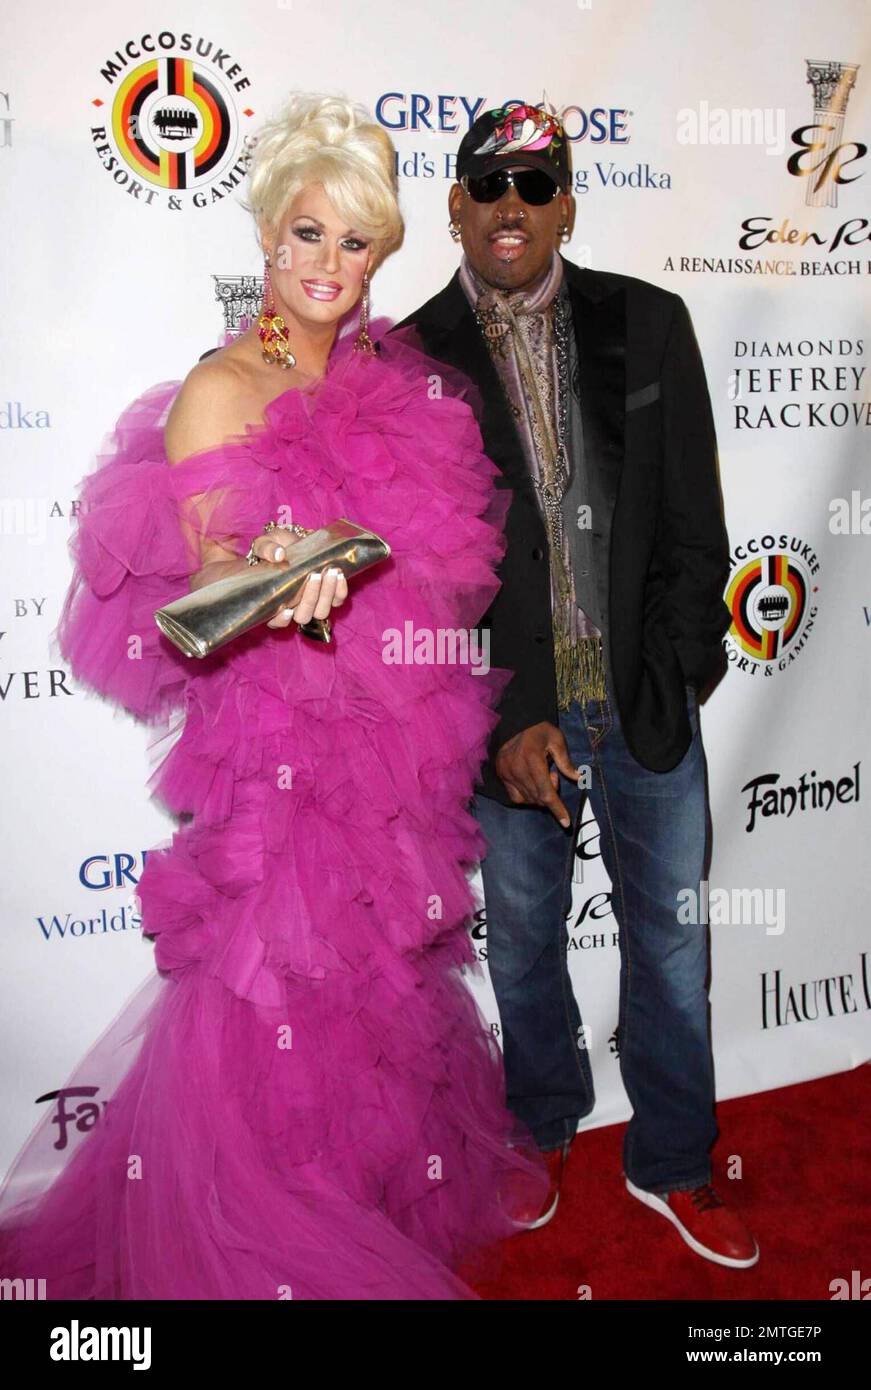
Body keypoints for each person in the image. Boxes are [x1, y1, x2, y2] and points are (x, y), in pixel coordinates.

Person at [0, 93, 548, 1300]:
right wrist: (275, 584)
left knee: (375, 981)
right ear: (267, 234)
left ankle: (355, 1194)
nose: (329, 267)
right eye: (309, 234)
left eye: (355, 244)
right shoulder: (218, 390)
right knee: (270, 983)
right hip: (276, 745)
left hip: (385, 754)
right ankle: (257, 1224)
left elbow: (443, 572)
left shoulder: (392, 382)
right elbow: (202, 586)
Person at [396, 101, 759, 1267]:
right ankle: (541, 1126)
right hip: (511, 721)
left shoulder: (649, 325)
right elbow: (416, 589)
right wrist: (500, 723)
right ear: (453, 203)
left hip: (644, 704)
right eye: (488, 183)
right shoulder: (406, 364)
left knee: (670, 947)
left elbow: (698, 533)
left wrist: (678, 670)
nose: (512, 205)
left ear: (566, 203)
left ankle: (673, 1159)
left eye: (537, 184)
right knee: (520, 946)